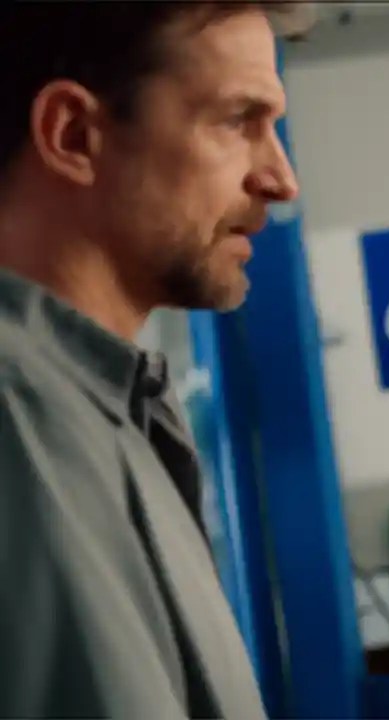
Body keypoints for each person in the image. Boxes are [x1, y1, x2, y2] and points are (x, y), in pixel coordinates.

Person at [0, 3, 299, 717]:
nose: (280, 178)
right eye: (238, 121)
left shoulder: (118, 413)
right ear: (74, 135)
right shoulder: (16, 418)